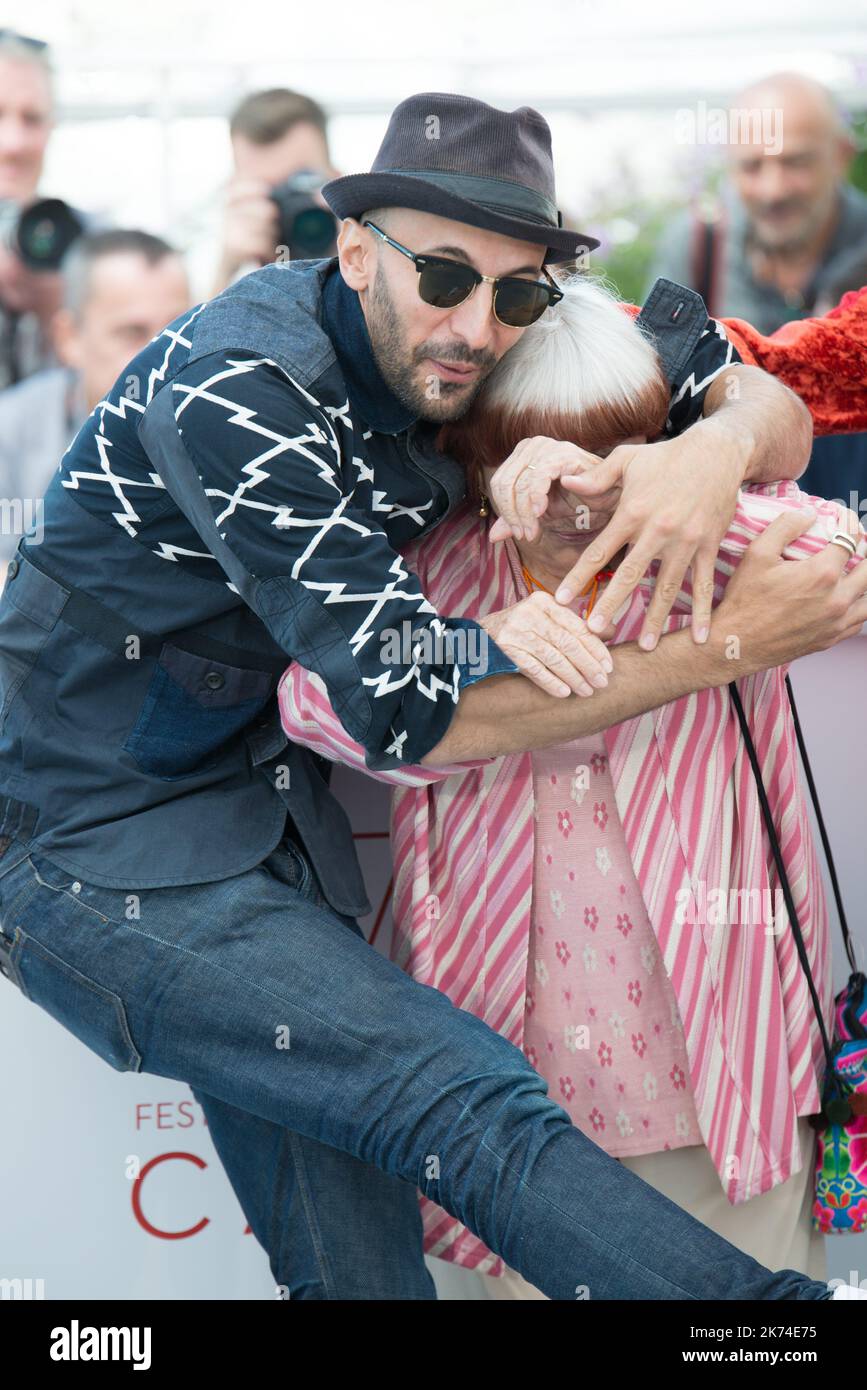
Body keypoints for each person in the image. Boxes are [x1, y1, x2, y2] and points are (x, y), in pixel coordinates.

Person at [0, 90, 865, 1301]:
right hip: (87, 836)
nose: (477, 323)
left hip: (261, 810)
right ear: (352, 250)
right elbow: (408, 705)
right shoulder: (243, 387)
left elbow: (769, 394)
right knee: (460, 1096)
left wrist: (703, 454)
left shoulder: (517, 320)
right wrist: (722, 645)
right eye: (443, 275)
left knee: (359, 1279)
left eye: (516, 293)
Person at [278, 272, 865, 1296]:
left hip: (724, 1082)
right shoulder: (436, 577)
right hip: (501, 1113)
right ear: (473, 453)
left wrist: (693, 476)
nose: (576, 488)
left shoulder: (715, 541)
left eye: (613, 446)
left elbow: (837, 558)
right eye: (534, 450)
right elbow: (319, 702)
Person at [0, 229, 191, 578]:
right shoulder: (10, 430)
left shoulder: (219, 422)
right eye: (133, 333)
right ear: (68, 338)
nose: (163, 357)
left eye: (178, 329)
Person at [646, 72, 867, 334]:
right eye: (751, 166)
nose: (773, 191)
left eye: (796, 162)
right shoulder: (697, 247)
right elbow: (654, 365)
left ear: (841, 156)